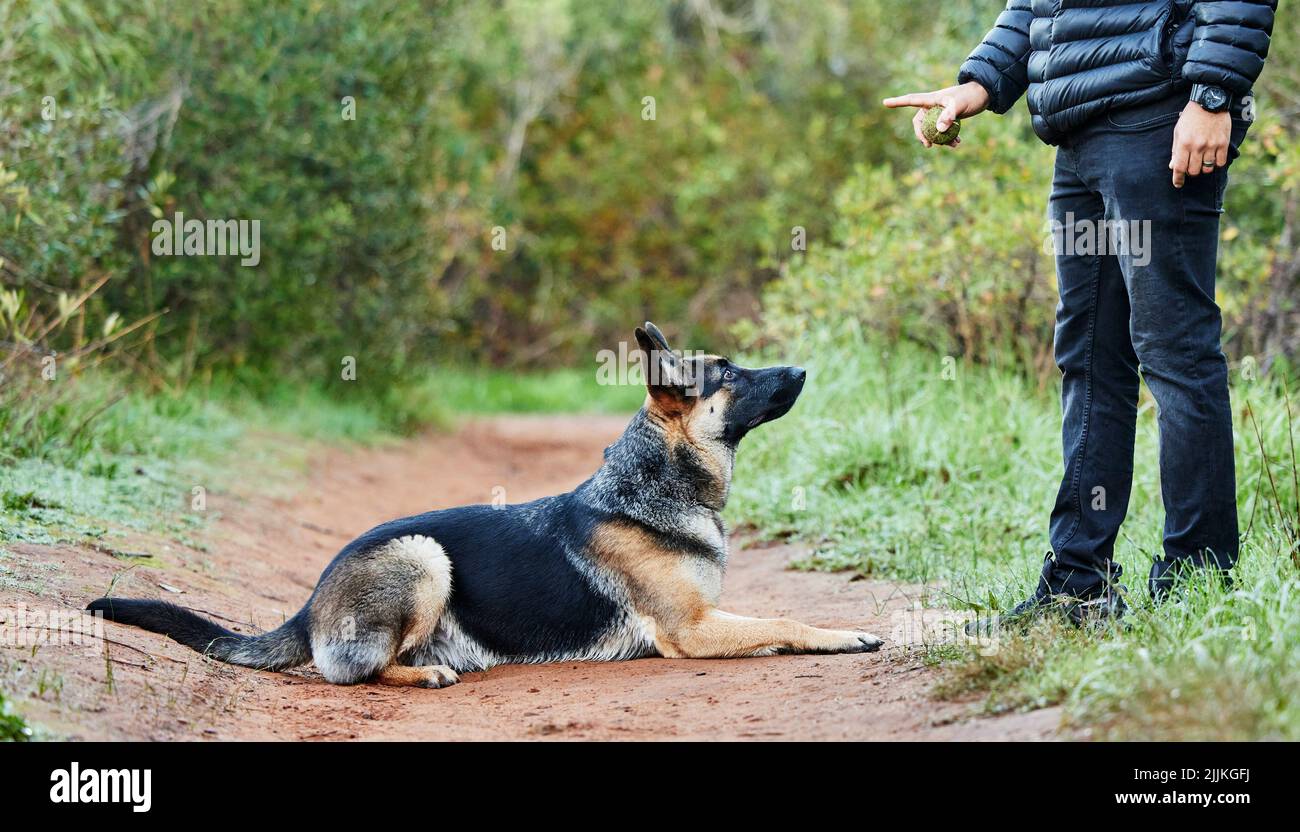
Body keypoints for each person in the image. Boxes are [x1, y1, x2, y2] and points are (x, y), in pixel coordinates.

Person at [884, 0, 1276, 625]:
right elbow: (1037, 10)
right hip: (1080, 135)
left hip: (1159, 120)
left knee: (1174, 351)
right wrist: (976, 83)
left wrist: (1212, 94)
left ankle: (1199, 581)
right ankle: (1078, 581)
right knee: (1088, 356)